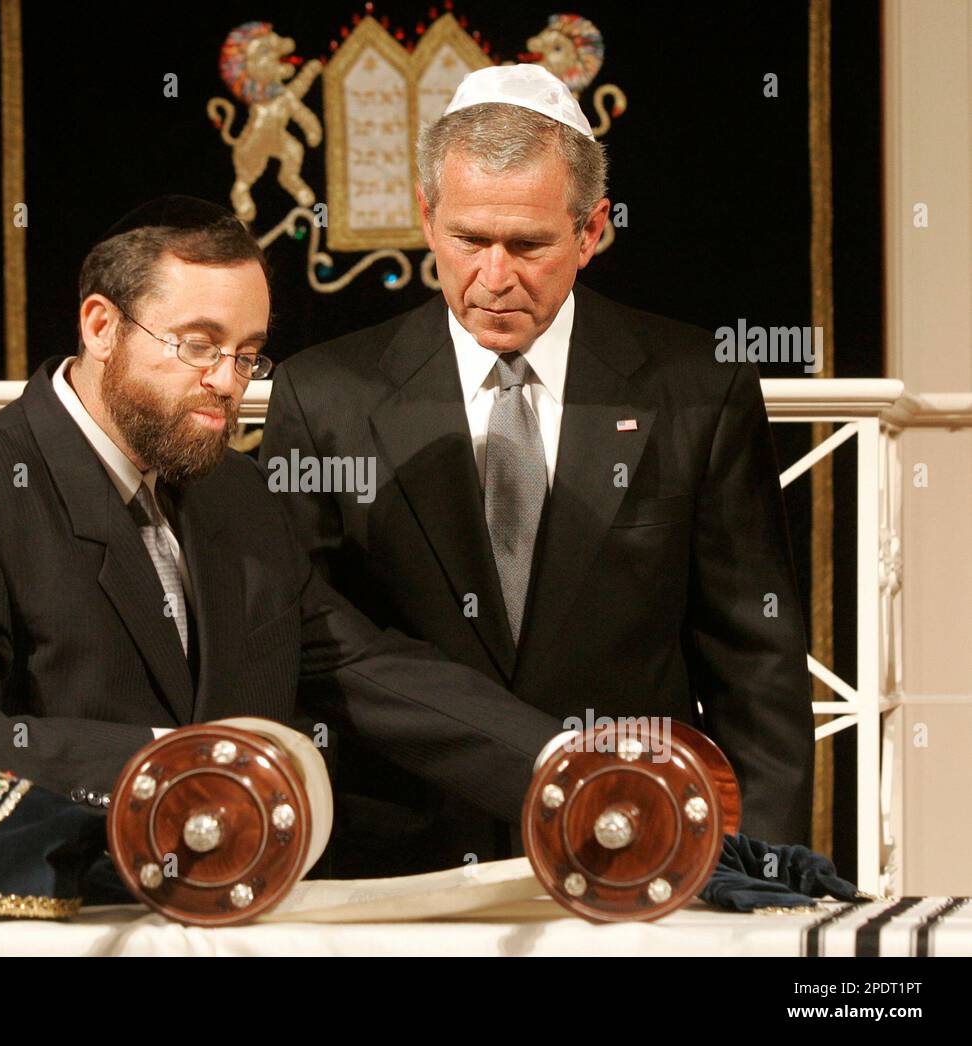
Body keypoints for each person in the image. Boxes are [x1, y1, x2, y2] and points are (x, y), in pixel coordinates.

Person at [0, 196, 563, 877]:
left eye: (247, 353)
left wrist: (561, 760)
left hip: (240, 906)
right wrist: (185, 764)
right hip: (65, 913)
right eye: (199, 345)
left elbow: (367, 669)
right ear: (101, 327)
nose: (228, 382)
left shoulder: (238, 492)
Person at [261, 64, 814, 877]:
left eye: (528, 245)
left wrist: (767, 874)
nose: (494, 277)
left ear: (592, 232)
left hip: (632, 841)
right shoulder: (324, 394)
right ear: (425, 216)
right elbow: (307, 640)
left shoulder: (698, 386)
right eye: (468, 240)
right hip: (398, 864)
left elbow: (755, 663)